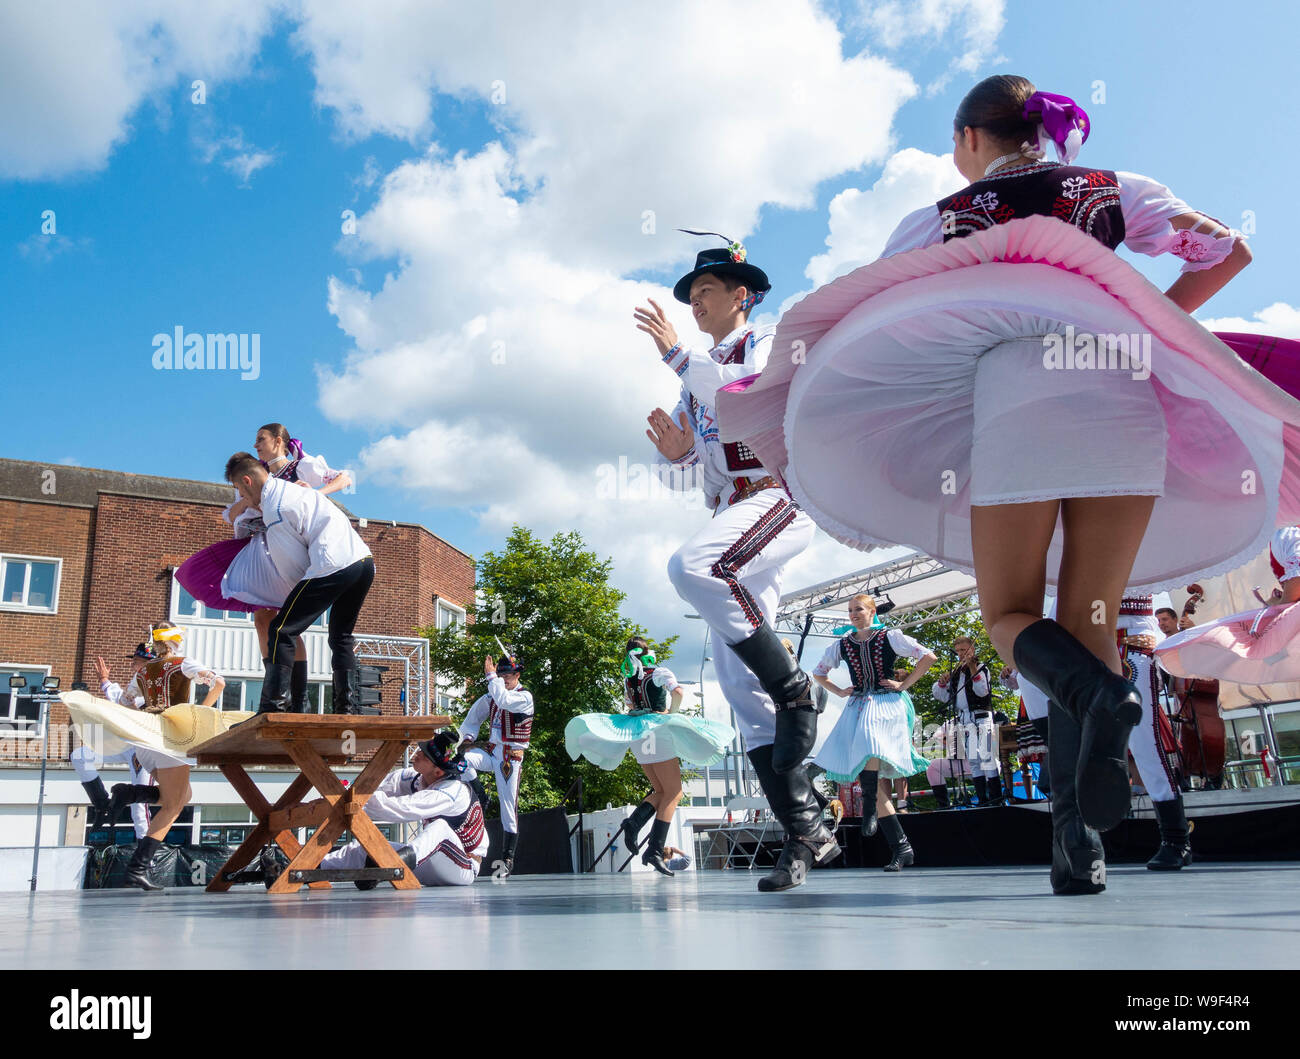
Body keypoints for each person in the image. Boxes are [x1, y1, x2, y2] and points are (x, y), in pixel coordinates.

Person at [717, 74, 1298, 894]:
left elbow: (866, 316)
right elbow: (1226, 248)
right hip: (1128, 401)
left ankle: (1098, 719)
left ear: (966, 141)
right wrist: (1148, 319)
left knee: (1009, 614)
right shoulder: (1120, 190)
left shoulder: (939, 220)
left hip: (1020, 404)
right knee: (1090, 620)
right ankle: (1079, 849)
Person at [638, 234, 833, 892]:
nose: (694, 303)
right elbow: (700, 464)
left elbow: (744, 394)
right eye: (691, 295)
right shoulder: (693, 376)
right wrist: (679, 456)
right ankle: (807, 831)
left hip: (780, 499)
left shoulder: (766, 341)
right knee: (738, 690)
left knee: (692, 568)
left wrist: (675, 356)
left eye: (706, 291)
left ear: (741, 295)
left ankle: (797, 687)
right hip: (735, 519)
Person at [566, 638, 735, 875]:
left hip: (637, 734)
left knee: (660, 791)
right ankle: (654, 850)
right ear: (647, 651)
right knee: (674, 793)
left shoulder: (629, 677)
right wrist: (671, 715)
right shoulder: (658, 671)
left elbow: (629, 703)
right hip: (656, 730)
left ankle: (634, 824)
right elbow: (677, 692)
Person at [224, 452, 375, 714]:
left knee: (281, 629)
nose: (243, 500)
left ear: (247, 481)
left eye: (240, 491)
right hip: (363, 562)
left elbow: (293, 568)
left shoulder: (276, 509)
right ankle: (346, 709)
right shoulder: (293, 490)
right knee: (341, 636)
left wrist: (288, 601)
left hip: (333, 563)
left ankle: (276, 706)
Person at [810, 595, 936, 871]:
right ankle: (902, 848)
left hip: (886, 703)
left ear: (872, 611)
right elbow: (819, 673)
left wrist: (904, 685)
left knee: (869, 743)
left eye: (859, 610)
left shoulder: (890, 636)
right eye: (850, 610)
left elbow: (928, 657)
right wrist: (840, 691)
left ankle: (868, 808)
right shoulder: (843, 644)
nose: (854, 614)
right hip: (857, 705)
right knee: (827, 761)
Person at [111, 624, 226, 890]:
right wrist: (197, 715)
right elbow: (218, 683)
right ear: (176, 641)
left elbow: (125, 702)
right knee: (173, 805)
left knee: (182, 797)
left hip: (146, 739)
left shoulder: (142, 671)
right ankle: (137, 869)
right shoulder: (183, 663)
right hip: (172, 739)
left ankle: (130, 794)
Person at [456, 655, 535, 875]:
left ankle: (508, 858)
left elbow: (503, 700)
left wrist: (491, 677)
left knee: (508, 807)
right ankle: (481, 795)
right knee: (459, 761)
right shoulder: (492, 695)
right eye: (499, 676)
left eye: (506, 677)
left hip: (509, 757)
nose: (501, 680)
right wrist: (468, 739)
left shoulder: (524, 697)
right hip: (492, 752)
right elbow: (472, 719)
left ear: (517, 675)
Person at [75, 645, 153, 838]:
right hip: (126, 744)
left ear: (148, 664)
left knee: (138, 808)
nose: (132, 662)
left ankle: (147, 860)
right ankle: (102, 804)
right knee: (79, 756)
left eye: (137, 659)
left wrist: (131, 707)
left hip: (143, 750)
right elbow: (118, 696)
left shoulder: (154, 686)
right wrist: (103, 679)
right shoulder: (135, 683)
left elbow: (145, 713)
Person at [933, 637, 1003, 805]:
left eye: (964, 650)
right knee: (973, 760)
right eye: (958, 651)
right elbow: (944, 698)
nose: (960, 654)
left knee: (987, 757)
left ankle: (996, 797)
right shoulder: (956, 673)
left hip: (982, 717)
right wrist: (942, 683)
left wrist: (972, 668)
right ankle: (982, 799)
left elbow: (982, 691)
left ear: (972, 649)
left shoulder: (980, 668)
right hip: (964, 719)